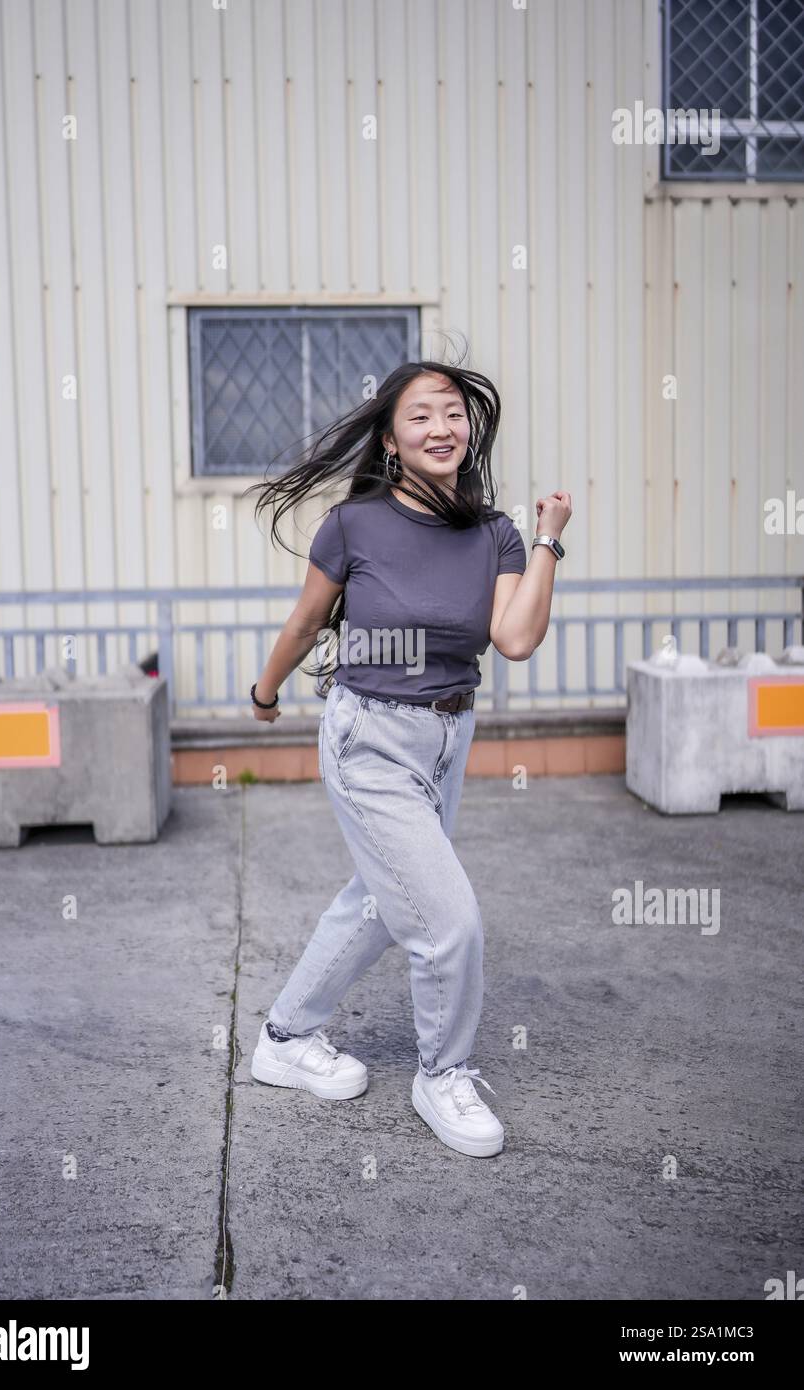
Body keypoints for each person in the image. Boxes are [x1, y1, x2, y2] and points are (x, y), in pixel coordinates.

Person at [242, 353, 571, 1158]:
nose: (441, 427)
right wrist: (264, 691)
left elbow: (517, 638)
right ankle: (442, 1072)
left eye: (454, 413)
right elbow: (306, 622)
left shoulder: (495, 533)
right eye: (421, 415)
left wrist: (548, 541)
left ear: (471, 429)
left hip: (449, 738)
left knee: (380, 902)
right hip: (369, 738)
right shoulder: (356, 522)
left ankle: (285, 1038)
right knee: (450, 922)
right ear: (391, 438)